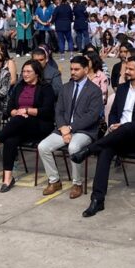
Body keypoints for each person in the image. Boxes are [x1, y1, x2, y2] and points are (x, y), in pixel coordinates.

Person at [71, 56, 135, 218]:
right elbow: (113, 113)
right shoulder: (122, 88)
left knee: (127, 126)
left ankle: (89, 150)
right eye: (126, 68)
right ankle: (97, 200)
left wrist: (127, 126)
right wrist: (113, 124)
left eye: (131, 69)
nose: (127, 71)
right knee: (106, 150)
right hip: (119, 136)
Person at [0, 59, 56, 191]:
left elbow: (47, 111)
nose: (25, 74)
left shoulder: (46, 88)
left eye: (29, 71)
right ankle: (7, 179)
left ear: (37, 73)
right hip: (19, 124)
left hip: (40, 125)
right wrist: (17, 112)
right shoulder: (20, 86)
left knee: (19, 119)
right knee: (10, 139)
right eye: (23, 71)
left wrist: (26, 111)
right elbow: (10, 108)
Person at [37, 55, 103, 198]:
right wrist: (63, 128)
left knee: (74, 147)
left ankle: (77, 183)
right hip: (63, 129)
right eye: (71, 69)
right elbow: (58, 111)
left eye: (76, 69)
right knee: (43, 146)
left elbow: (92, 117)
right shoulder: (65, 88)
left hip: (85, 131)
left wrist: (71, 128)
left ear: (86, 70)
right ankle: (54, 180)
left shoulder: (94, 90)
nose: (73, 72)